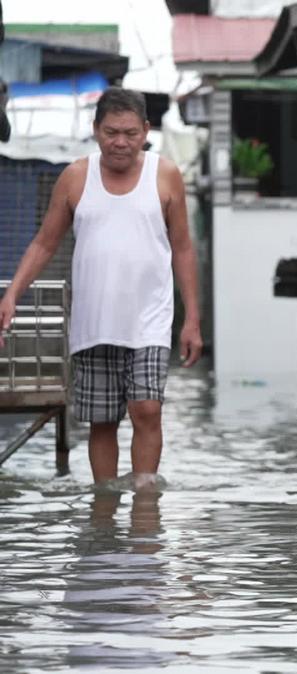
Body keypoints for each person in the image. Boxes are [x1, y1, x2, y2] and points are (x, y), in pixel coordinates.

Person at [0, 87, 202, 489]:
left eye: (130, 132)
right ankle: (105, 510)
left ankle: (145, 506)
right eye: (112, 132)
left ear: (146, 130)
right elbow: (45, 242)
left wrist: (192, 319)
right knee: (102, 419)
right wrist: (11, 295)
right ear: (96, 131)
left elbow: (182, 248)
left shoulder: (165, 175)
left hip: (149, 318)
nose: (121, 142)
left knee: (147, 408)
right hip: (94, 321)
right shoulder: (76, 176)